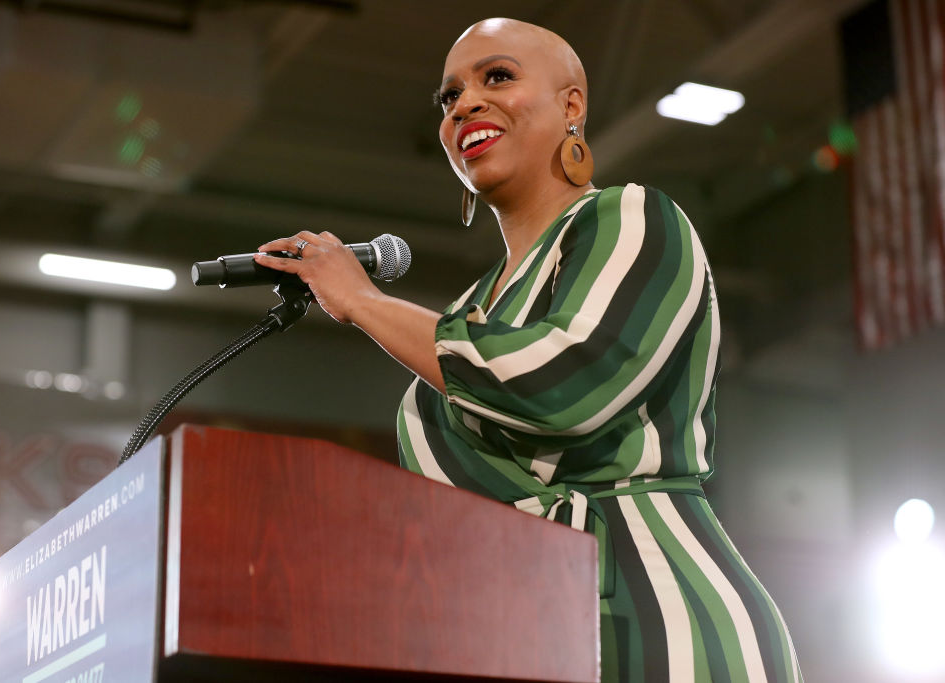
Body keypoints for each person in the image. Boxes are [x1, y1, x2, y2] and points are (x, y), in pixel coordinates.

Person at [254, 17, 801, 683]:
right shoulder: (465, 316)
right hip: (518, 640)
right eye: (448, 96)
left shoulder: (634, 219)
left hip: (660, 618)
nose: (465, 104)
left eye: (498, 77)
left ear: (573, 105)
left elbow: (560, 388)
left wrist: (363, 301)